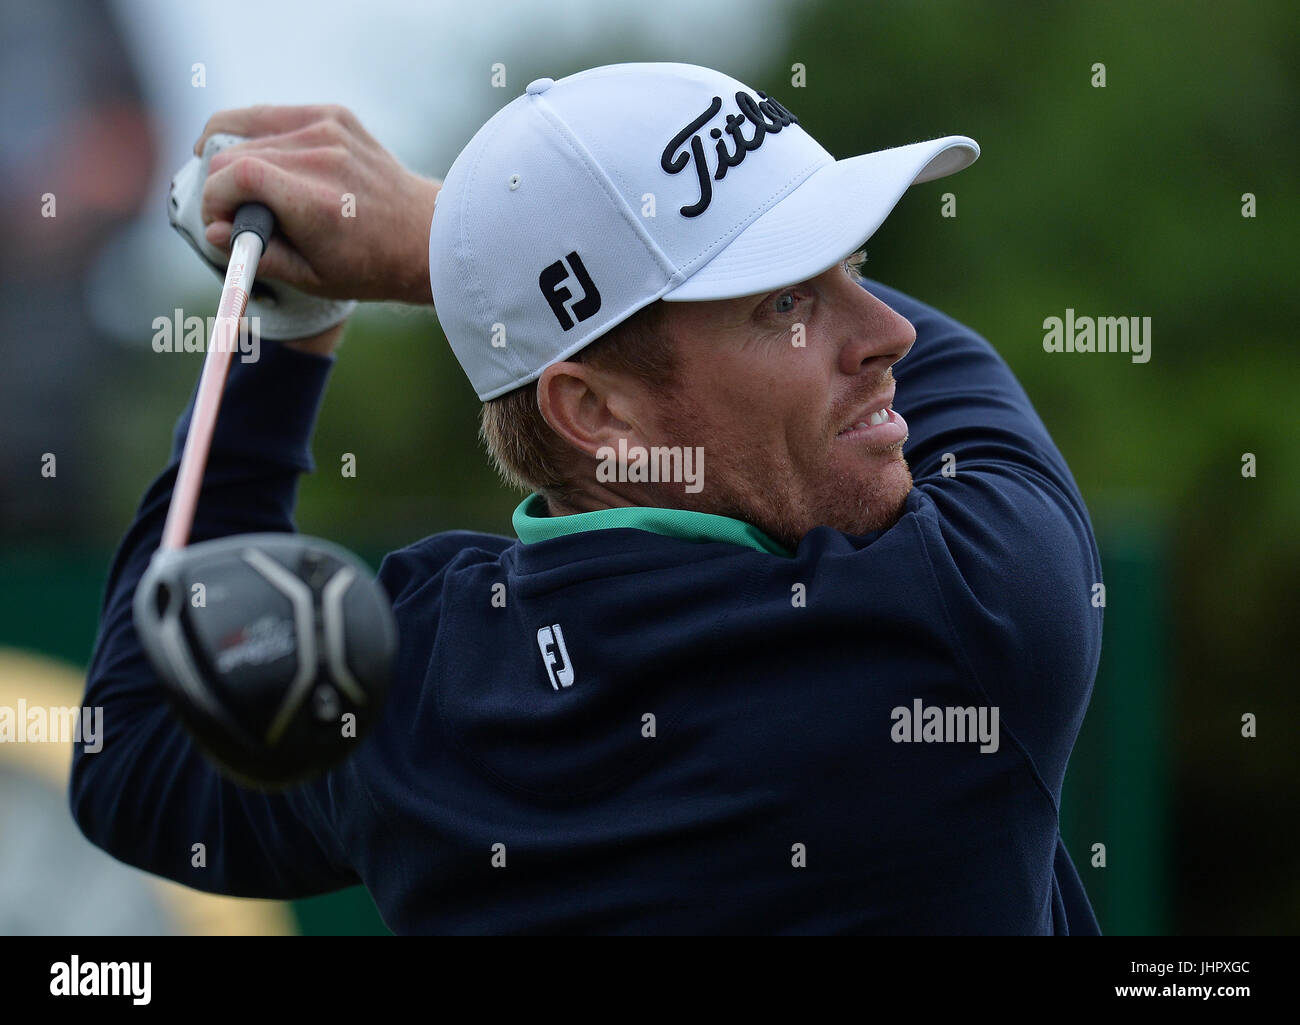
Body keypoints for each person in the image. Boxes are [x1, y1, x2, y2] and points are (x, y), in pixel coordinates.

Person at [71, 63, 1102, 934]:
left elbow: (133, 761)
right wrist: (437, 237)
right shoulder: (967, 613)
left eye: (852, 267)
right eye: (787, 299)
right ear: (595, 411)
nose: (887, 333)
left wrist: (286, 336)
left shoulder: (420, 689)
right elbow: (960, 378)